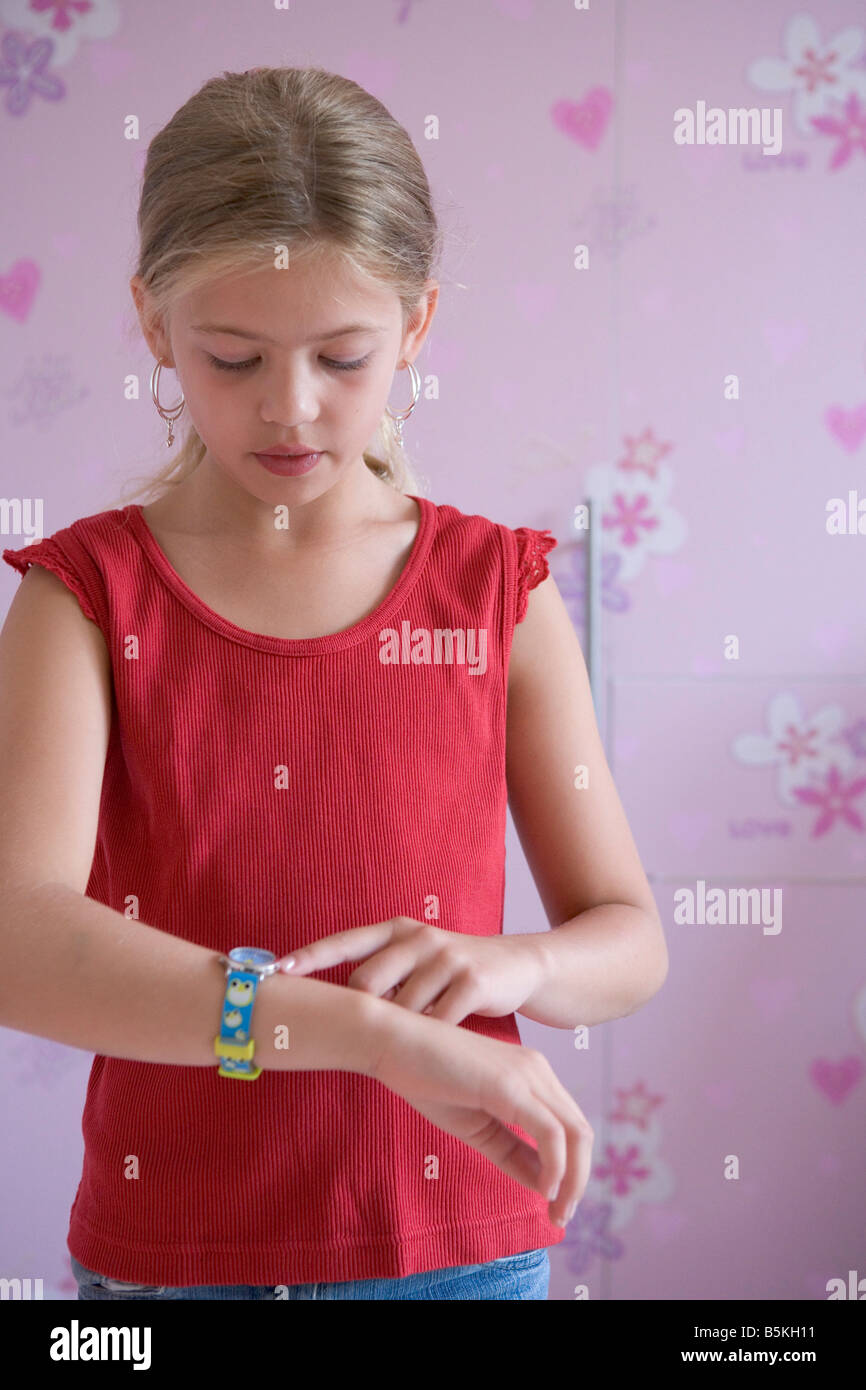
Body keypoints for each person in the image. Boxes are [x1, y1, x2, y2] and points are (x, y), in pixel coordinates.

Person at [0, 66, 668, 1302]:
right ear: (153, 324)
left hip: (458, 1257)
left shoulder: (494, 591)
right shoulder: (80, 596)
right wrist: (365, 1037)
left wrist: (512, 968)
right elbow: (19, 943)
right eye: (235, 355)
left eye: (342, 356)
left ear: (414, 325)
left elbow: (625, 940)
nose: (290, 408)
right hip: (168, 1269)